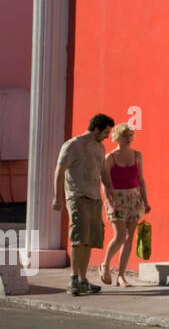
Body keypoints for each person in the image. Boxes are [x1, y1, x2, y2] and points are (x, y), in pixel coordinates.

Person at [53, 113, 115, 296]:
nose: (107, 136)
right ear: (95, 128)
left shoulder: (100, 148)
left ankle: (83, 279)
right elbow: (60, 170)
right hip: (77, 196)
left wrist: (110, 190)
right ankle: (73, 278)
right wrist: (58, 197)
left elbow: (103, 171)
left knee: (89, 240)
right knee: (78, 237)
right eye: (105, 132)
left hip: (95, 198)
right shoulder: (73, 145)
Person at [99, 123, 149, 287]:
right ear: (117, 138)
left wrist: (145, 201)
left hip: (133, 200)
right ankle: (105, 265)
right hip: (117, 201)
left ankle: (121, 276)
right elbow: (105, 183)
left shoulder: (138, 155)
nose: (128, 139)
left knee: (129, 238)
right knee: (120, 236)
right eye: (124, 136)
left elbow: (141, 180)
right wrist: (110, 204)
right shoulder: (110, 157)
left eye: (130, 135)